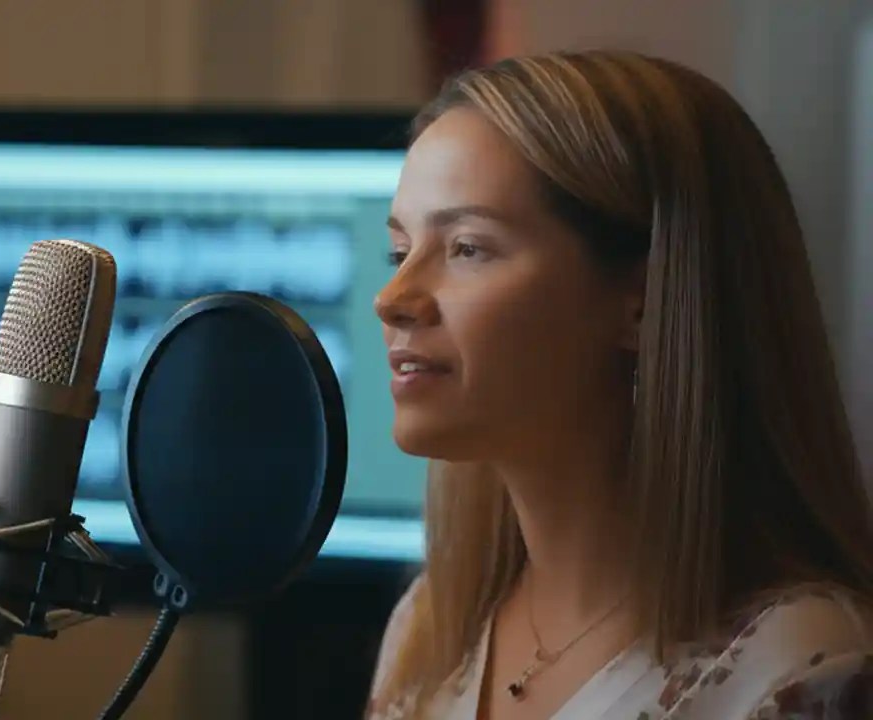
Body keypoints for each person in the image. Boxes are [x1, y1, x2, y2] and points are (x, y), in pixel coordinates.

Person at [367, 49, 873, 720]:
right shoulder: (429, 628)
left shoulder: (799, 671)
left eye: (467, 248)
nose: (392, 299)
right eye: (400, 253)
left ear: (643, 300)